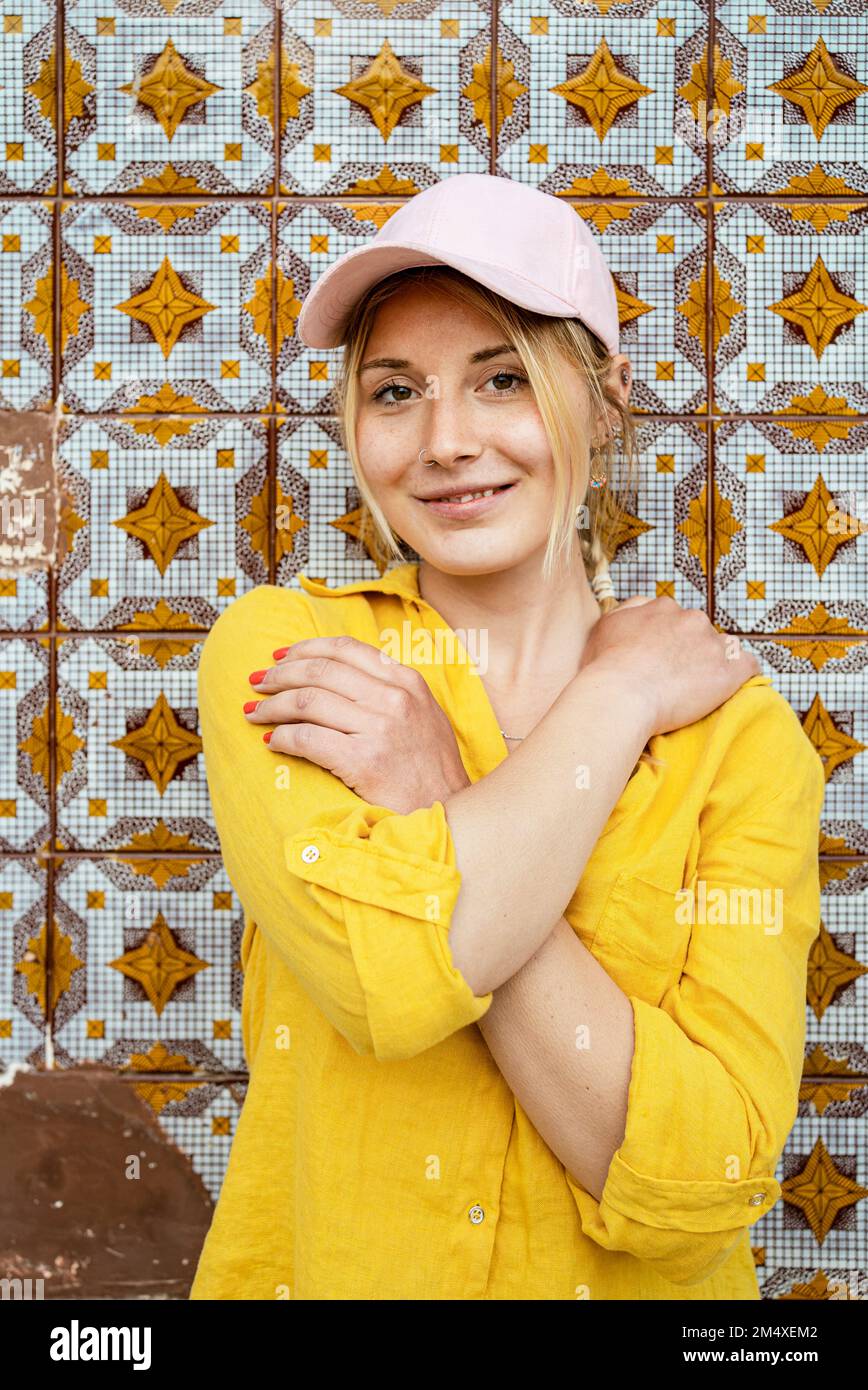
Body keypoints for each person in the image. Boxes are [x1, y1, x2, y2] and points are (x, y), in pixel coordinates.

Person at [189, 175, 825, 1301]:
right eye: (395, 391)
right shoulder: (289, 653)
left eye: (500, 378)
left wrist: (443, 795)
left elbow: (698, 1183)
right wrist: (614, 703)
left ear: (606, 400)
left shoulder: (740, 738)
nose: (444, 442)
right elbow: (388, 987)